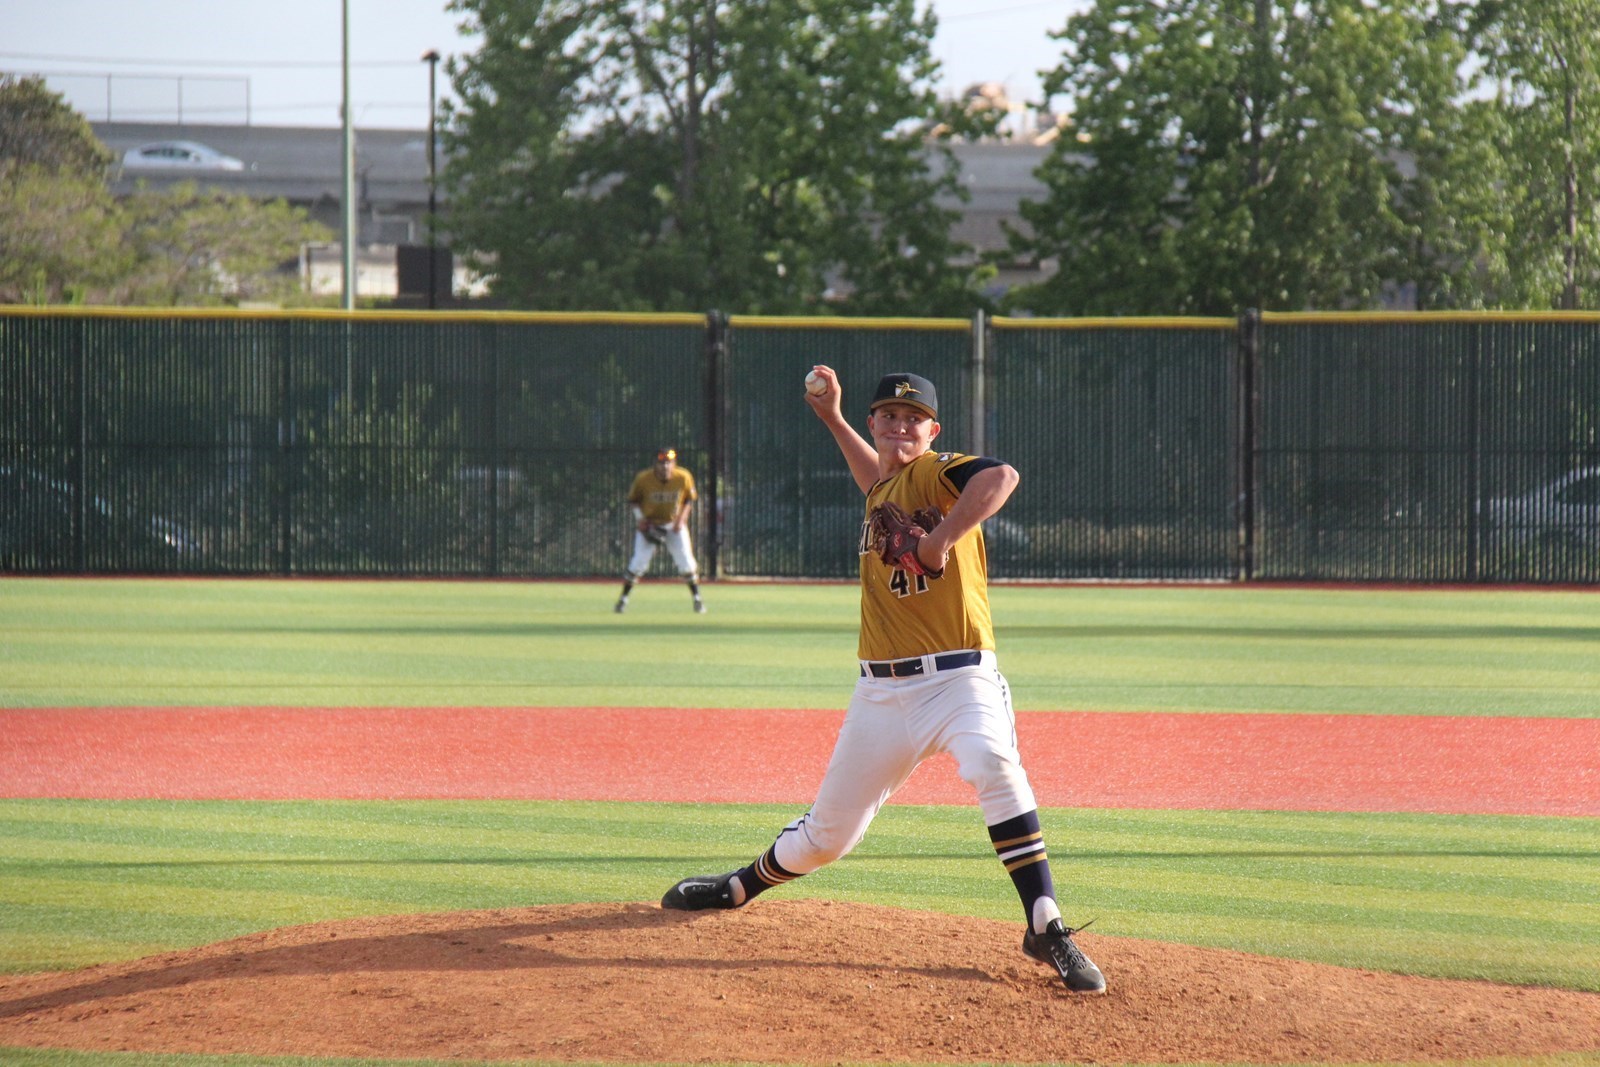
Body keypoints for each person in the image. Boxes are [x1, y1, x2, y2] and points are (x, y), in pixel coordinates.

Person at [659, 367, 1105, 994]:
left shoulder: (939, 470)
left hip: (959, 679)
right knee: (826, 838)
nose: (900, 425)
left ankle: (1046, 924)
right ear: (874, 423)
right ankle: (738, 888)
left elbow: (1001, 477)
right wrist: (834, 419)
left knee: (994, 766)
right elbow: (876, 480)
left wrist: (941, 540)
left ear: (933, 430)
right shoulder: (885, 488)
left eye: (912, 418)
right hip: (881, 694)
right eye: (888, 416)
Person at [615, 448, 706, 614]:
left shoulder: (683, 476)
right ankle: (623, 599)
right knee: (638, 563)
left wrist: (681, 519)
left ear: (674, 464)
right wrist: (640, 520)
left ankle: (697, 599)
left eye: (668, 462)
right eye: (661, 462)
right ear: (655, 464)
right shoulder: (643, 479)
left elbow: (688, 500)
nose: (665, 466)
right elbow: (633, 500)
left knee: (686, 562)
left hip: (673, 525)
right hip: (650, 525)